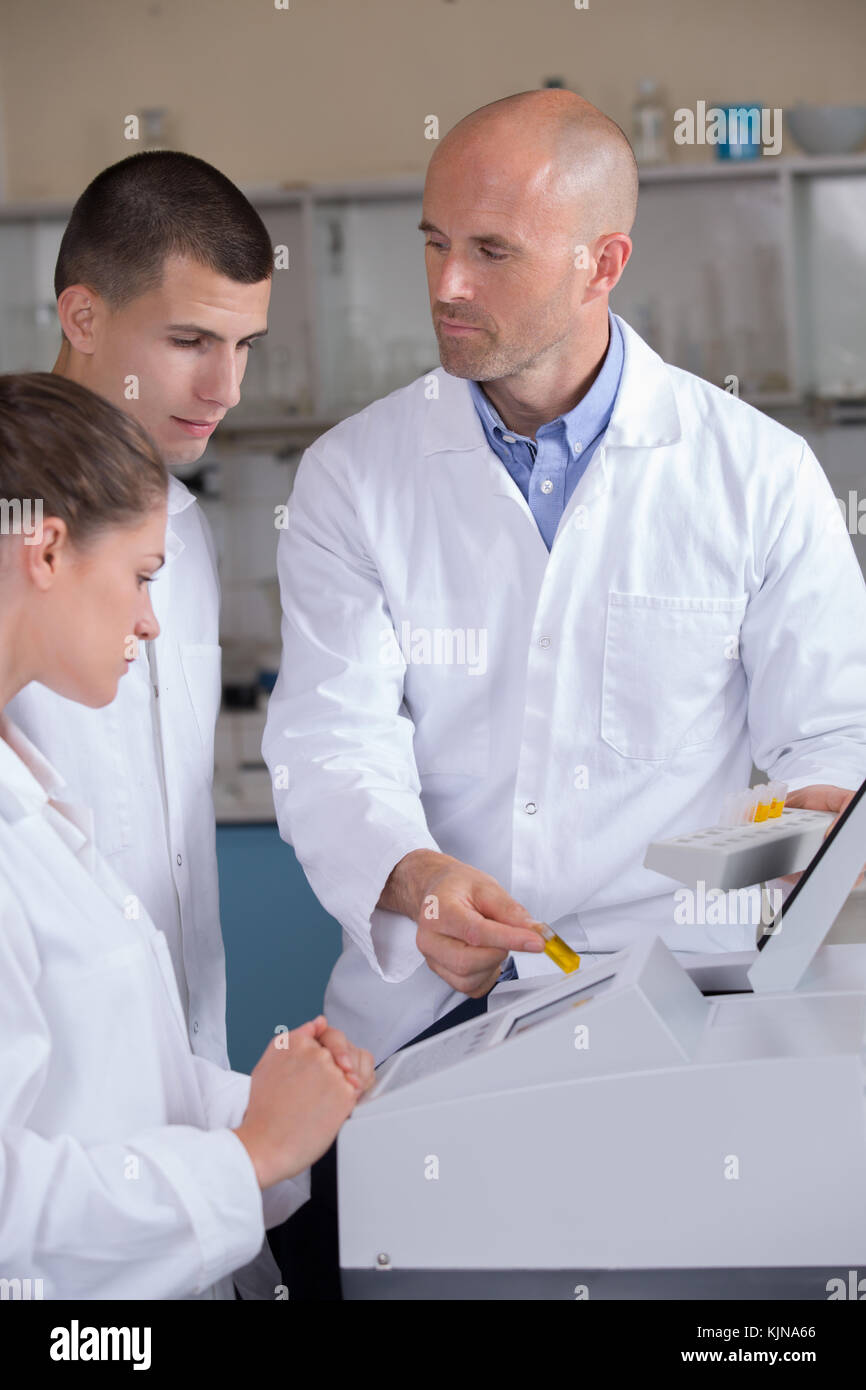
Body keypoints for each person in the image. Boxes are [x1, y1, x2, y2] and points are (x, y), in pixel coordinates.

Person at [263, 88, 866, 1062]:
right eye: (432, 242)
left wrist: (789, 834)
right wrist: (417, 879)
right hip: (432, 1009)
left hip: (673, 1008)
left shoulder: (753, 471)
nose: (447, 283)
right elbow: (333, 735)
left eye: (491, 251)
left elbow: (831, 737)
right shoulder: (353, 473)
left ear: (603, 263)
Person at [0, 372, 374, 1299]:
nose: (148, 619)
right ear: (46, 550)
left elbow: (110, 1090)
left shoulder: (31, 797)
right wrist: (250, 1151)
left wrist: (276, 1110)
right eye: (139, 576)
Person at [8, 151, 277, 1294]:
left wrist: (238, 1134)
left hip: (175, 1102)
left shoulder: (191, 540)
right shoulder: (22, 527)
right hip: (57, 1167)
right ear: (81, 311)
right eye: (189, 341)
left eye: (244, 349)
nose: (224, 387)